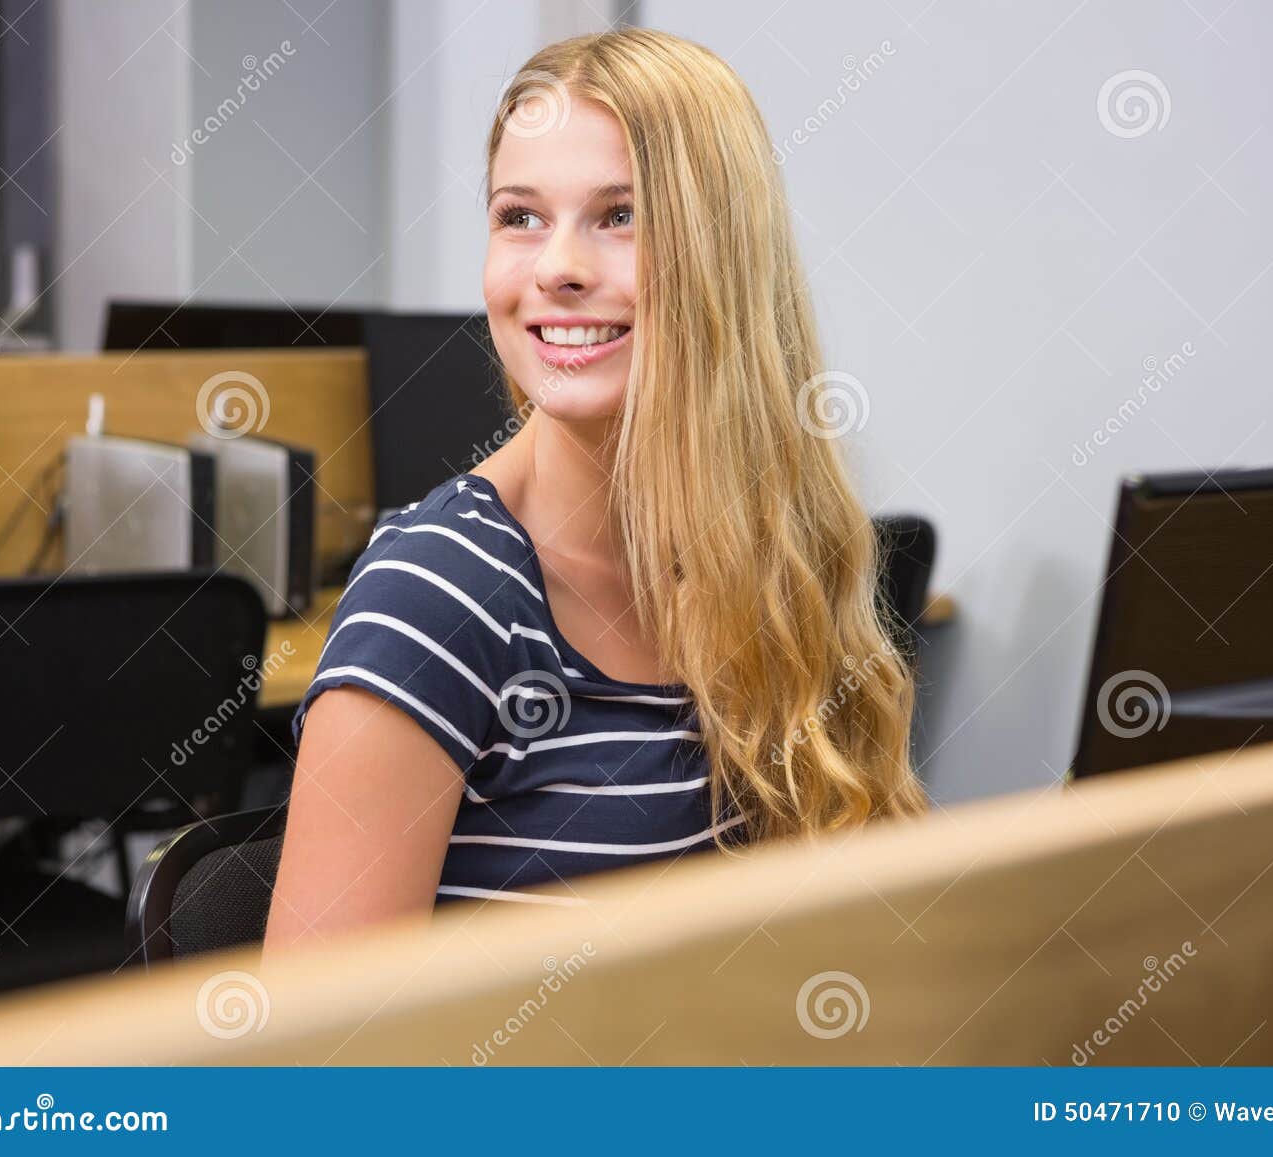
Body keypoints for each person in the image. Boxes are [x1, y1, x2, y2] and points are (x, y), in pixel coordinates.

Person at [264, 27, 928, 954]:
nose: (556, 267)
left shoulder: (771, 555)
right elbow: (314, 1073)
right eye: (519, 216)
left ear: (722, 255)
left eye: (620, 215)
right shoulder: (437, 599)